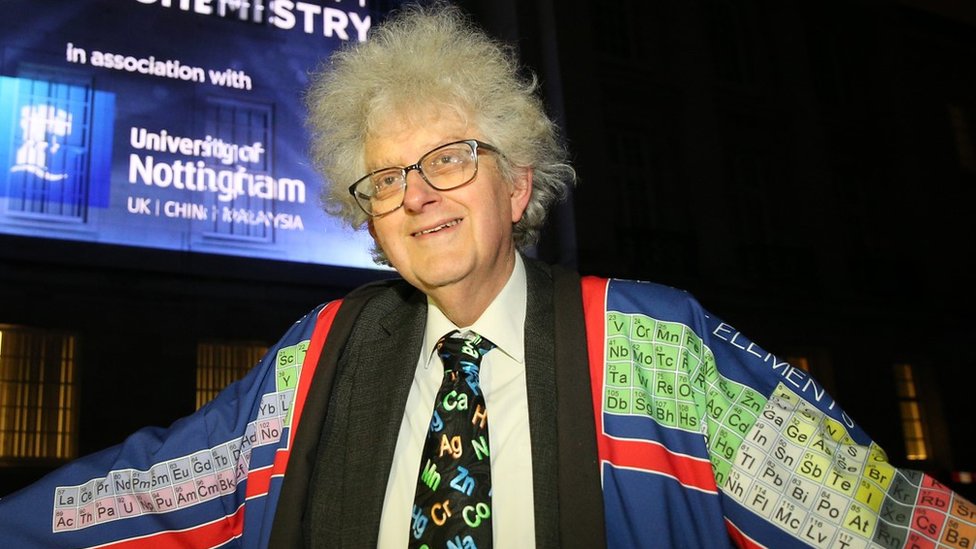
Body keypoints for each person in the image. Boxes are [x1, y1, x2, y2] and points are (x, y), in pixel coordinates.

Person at [1, 3, 974, 548]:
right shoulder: (315, 358)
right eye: (387, 178)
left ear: (517, 186)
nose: (418, 194)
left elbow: (873, 517)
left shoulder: (658, 345)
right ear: (370, 219)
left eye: (450, 158)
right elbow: (153, 490)